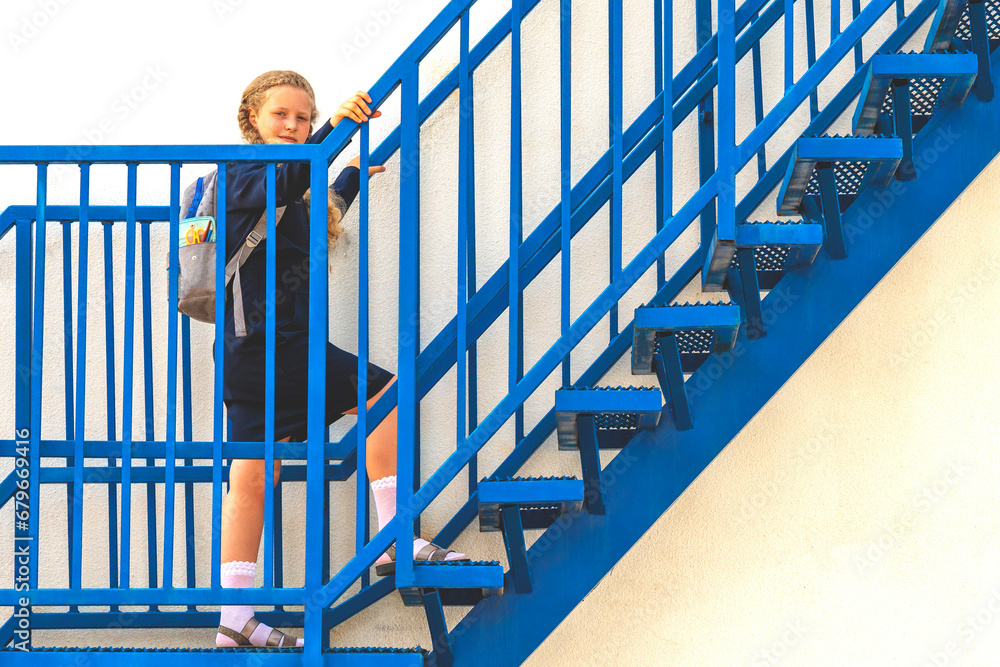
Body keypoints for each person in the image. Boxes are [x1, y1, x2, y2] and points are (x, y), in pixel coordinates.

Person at [215, 70, 468, 649]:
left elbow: (305, 211)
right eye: (282, 115)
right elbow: (286, 183)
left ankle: (234, 616)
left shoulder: (281, 177)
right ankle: (396, 537)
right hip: (273, 345)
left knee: (255, 473)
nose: (294, 125)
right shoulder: (240, 171)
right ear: (252, 117)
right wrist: (338, 131)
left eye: (304, 118)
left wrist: (351, 176)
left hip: (257, 347)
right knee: (382, 395)